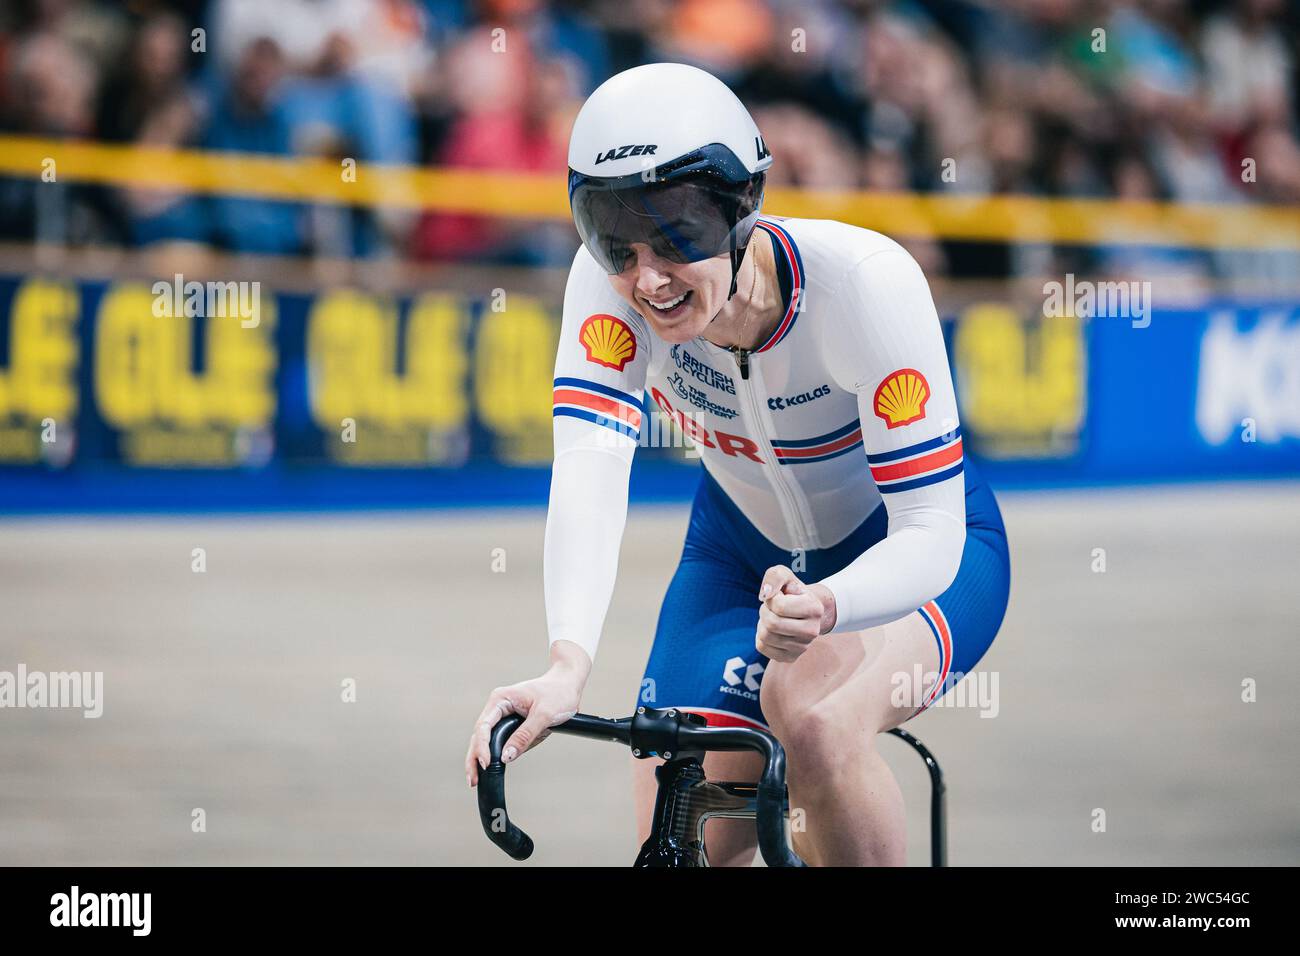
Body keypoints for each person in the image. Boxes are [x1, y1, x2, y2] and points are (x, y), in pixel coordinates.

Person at [467, 62, 1010, 866]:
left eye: (679, 232)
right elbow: (589, 465)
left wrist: (829, 605)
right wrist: (565, 664)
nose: (646, 276)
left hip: (917, 548)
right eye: (613, 235)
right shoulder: (605, 286)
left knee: (815, 720)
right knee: (685, 822)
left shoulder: (865, 285)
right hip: (737, 550)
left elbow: (929, 530)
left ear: (742, 207)